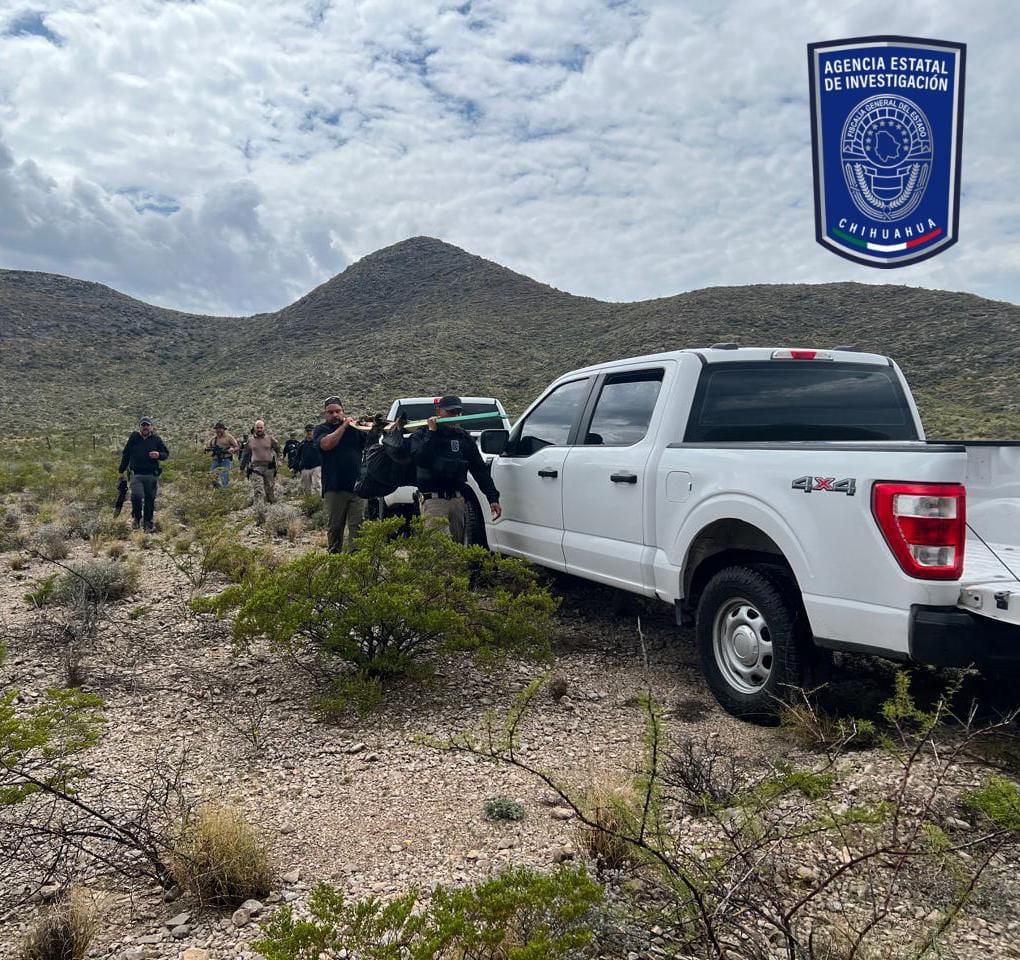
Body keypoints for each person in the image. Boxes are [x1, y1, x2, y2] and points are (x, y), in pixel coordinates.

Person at [409, 395, 501, 542]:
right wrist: (432, 432)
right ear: (439, 411)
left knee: (456, 546)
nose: (455, 416)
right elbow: (421, 458)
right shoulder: (423, 434)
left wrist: (492, 498)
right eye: (450, 412)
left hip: (458, 500)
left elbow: (479, 469)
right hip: (434, 501)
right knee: (439, 548)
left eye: (458, 413)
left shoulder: (463, 437)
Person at [314, 396, 372, 553]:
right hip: (334, 488)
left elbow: (371, 442)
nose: (334, 415)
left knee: (358, 527)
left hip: (357, 487)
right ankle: (335, 564)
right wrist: (344, 426)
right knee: (335, 528)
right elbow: (326, 445)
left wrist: (368, 426)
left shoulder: (355, 429)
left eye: (337, 411)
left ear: (343, 411)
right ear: (325, 414)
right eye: (330, 412)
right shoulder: (321, 430)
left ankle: (356, 565)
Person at [118, 416, 170, 532]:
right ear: (140, 427)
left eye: (147, 425)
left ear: (151, 427)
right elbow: (126, 454)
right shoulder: (134, 437)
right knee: (136, 495)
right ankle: (137, 518)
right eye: (143, 425)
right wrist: (121, 471)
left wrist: (158, 455)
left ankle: (148, 522)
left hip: (152, 474)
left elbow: (166, 453)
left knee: (150, 499)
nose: (145, 427)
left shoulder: (156, 439)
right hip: (136, 474)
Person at [248, 419, 281, 505]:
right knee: (257, 488)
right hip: (256, 467)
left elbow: (278, 449)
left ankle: (272, 506)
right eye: (258, 427)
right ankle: (258, 507)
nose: (259, 429)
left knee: (269, 489)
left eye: (261, 427)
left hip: (269, 467)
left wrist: (279, 460)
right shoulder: (250, 440)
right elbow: (245, 454)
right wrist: (242, 468)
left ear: (264, 428)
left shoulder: (270, 439)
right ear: (255, 428)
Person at [204, 421, 239, 488]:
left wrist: (232, 450)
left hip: (226, 460)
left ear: (223, 429)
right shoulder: (213, 439)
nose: (218, 430)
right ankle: (217, 489)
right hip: (216, 460)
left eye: (220, 429)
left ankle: (224, 493)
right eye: (217, 429)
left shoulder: (229, 437)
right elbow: (207, 447)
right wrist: (205, 449)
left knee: (224, 478)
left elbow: (237, 446)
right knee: (211, 477)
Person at [296, 423, 322, 495]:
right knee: (306, 487)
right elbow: (297, 456)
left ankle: (319, 501)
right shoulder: (302, 444)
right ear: (305, 432)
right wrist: (294, 467)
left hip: (317, 466)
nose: (309, 432)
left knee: (317, 484)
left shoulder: (318, 441)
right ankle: (309, 501)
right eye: (307, 431)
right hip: (305, 468)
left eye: (311, 430)